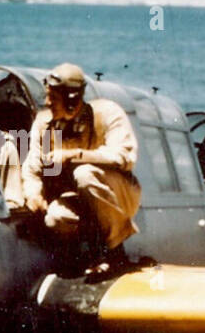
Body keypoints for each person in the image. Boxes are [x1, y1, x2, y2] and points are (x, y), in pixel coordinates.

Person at [22, 63, 141, 272]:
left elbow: (124, 156)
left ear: (72, 101)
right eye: (47, 96)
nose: (47, 103)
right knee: (55, 218)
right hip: (79, 197)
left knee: (84, 173)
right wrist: (33, 194)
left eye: (53, 99)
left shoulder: (107, 114)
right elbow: (33, 167)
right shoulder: (47, 125)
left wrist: (74, 156)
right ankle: (87, 253)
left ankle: (114, 252)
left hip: (119, 194)